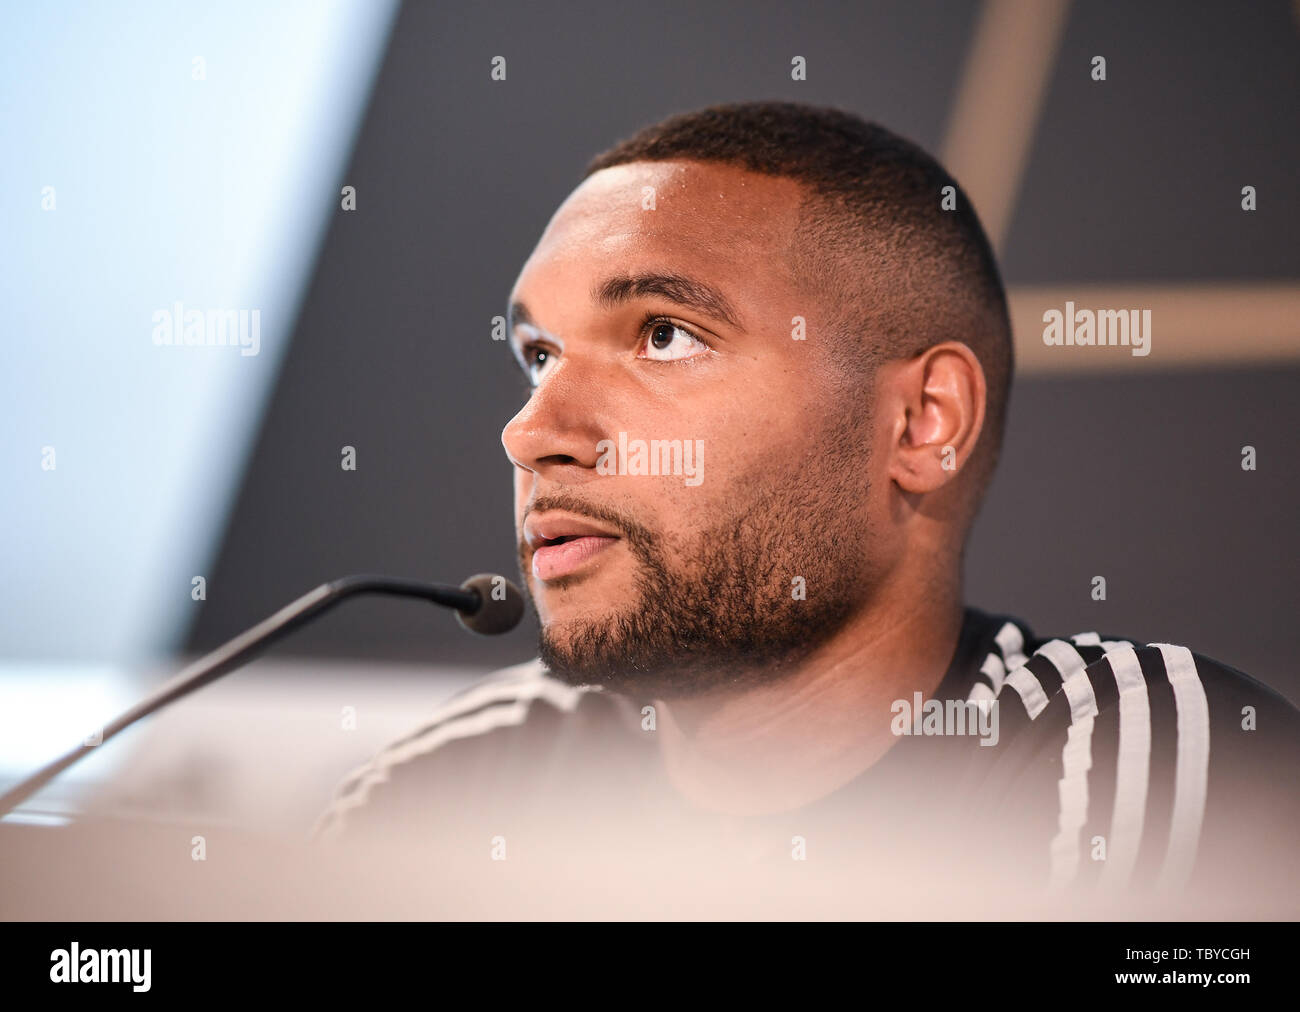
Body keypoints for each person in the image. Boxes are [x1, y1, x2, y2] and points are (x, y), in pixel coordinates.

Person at [312, 102, 1298, 909]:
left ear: (919, 422)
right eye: (538, 356)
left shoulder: (1135, 758)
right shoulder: (451, 783)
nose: (530, 432)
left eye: (663, 334)